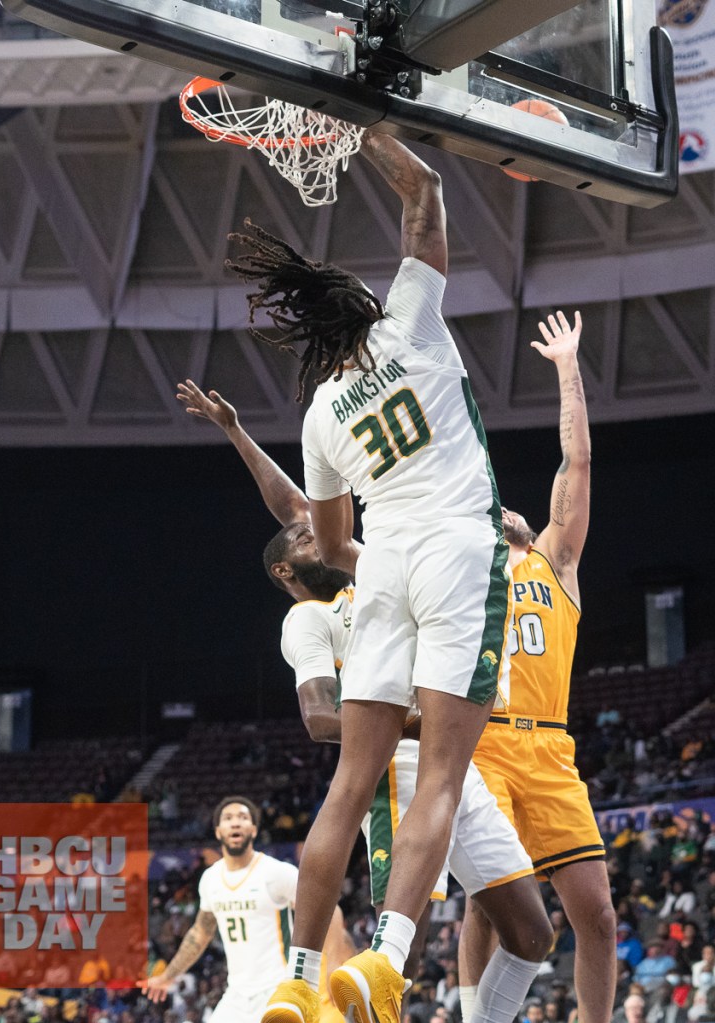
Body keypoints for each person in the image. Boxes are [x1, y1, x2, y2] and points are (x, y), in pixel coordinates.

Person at [221, 130, 515, 1023]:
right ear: (363, 302)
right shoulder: (410, 325)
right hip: (458, 547)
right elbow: (422, 193)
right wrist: (353, 123)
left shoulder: (315, 414)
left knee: (350, 785)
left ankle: (301, 977)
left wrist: (383, 561)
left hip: (381, 562)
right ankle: (382, 960)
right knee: (440, 773)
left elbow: (328, 540)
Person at [175, 378, 554, 1020]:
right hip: (404, 772)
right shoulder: (309, 621)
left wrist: (236, 432)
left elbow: (295, 505)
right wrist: (426, 723)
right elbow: (323, 719)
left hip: (459, 771)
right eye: (302, 543)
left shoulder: (365, 571)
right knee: (395, 962)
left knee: (533, 933)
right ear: (285, 574)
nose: (315, 535)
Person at [457, 307, 617, 1023]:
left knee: (599, 914)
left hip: (549, 744)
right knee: (489, 903)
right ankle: (473, 1011)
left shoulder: (554, 559)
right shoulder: (463, 573)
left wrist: (565, 369)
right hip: (483, 741)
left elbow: (576, 462)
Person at [139, 796, 347, 1023]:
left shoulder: (275, 872)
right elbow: (200, 932)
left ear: (254, 830)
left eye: (243, 817)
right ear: (218, 831)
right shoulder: (210, 879)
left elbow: (329, 908)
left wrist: (334, 964)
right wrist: (169, 975)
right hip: (237, 994)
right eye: (228, 818)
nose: (236, 823)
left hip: (279, 988)